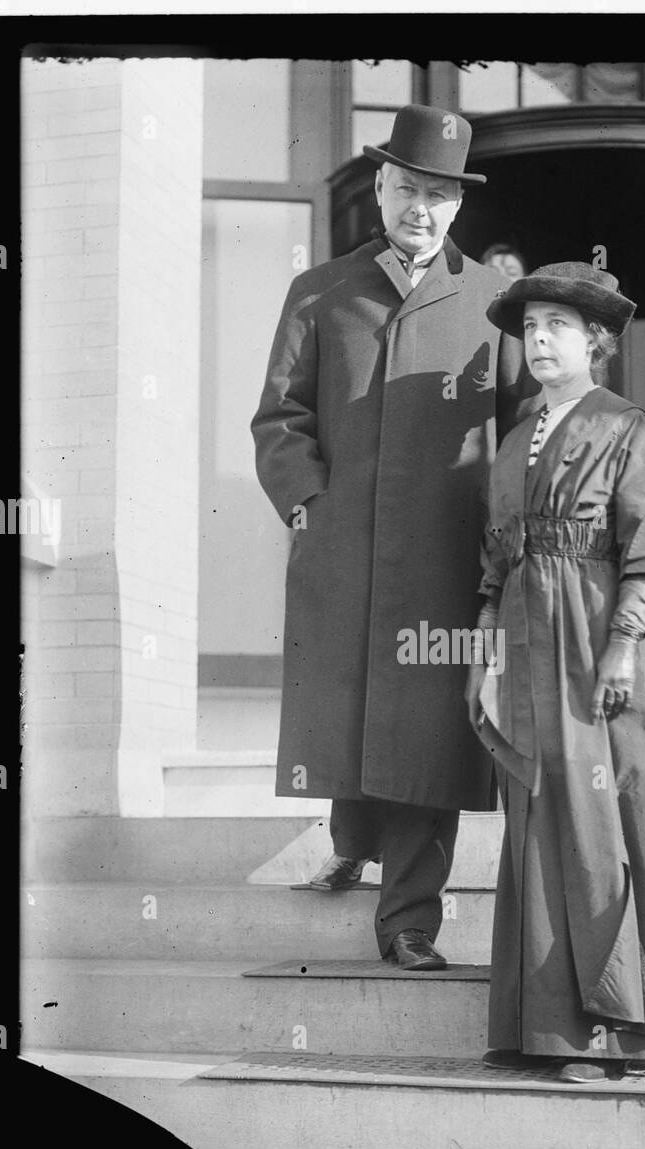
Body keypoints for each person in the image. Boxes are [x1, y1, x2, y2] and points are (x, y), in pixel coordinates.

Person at [252, 105, 530, 972]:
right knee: (342, 709)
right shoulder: (321, 291)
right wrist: (309, 505)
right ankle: (350, 838)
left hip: (447, 563)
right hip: (342, 547)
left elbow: (523, 425)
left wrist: (504, 537)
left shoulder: (494, 300)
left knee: (425, 741)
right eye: (407, 186)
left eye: (438, 193)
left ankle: (410, 919)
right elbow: (280, 417)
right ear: (380, 187)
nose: (421, 207)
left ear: (457, 205)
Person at [465, 262, 645, 1080]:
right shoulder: (515, 437)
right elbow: (495, 561)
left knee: (612, 819)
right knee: (545, 820)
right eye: (530, 328)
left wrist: (626, 643)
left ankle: (623, 1032)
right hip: (526, 649)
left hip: (599, 648)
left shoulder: (628, 428)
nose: (540, 340)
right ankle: (546, 1032)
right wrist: (486, 649)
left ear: (596, 341)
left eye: (557, 326)